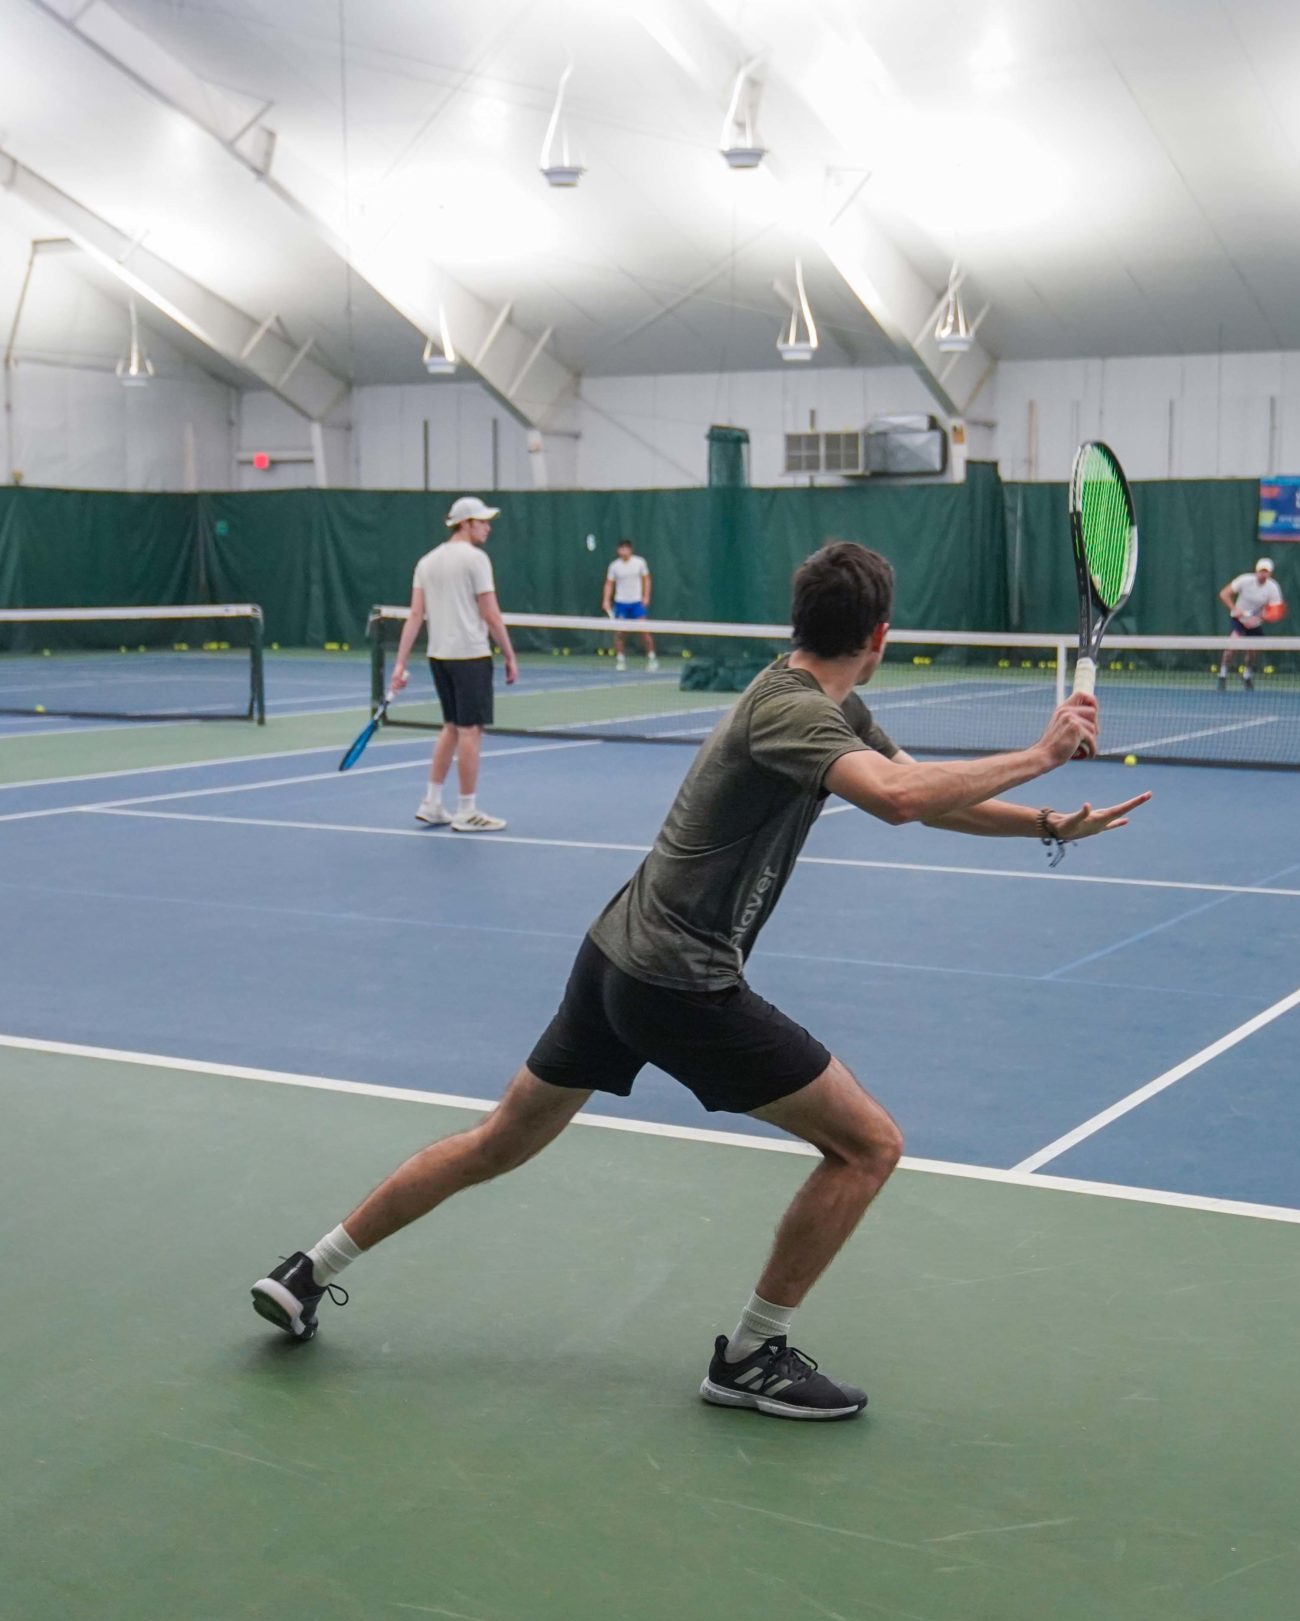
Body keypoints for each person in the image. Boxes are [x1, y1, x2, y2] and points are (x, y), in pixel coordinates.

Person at [254, 541, 1149, 1420]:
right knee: (867, 1147)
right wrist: (1040, 753)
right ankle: (755, 1354)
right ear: (878, 636)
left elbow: (914, 783)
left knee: (499, 1140)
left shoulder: (819, 702)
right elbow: (898, 799)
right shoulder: (794, 713)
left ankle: (309, 1270)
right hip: (676, 981)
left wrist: (1045, 824)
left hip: (613, 955)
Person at [388, 496, 520, 831]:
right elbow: (490, 613)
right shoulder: (476, 560)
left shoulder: (426, 561)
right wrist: (509, 653)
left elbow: (415, 615)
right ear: (465, 524)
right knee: (470, 732)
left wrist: (399, 665)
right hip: (470, 655)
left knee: (450, 726)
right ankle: (466, 810)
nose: (488, 527)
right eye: (482, 521)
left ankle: (431, 802)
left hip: (439, 657)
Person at [1215, 557, 1281, 689]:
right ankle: (1222, 675)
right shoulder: (1244, 580)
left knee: (1253, 652)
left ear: (1270, 573)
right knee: (1231, 646)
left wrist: (1262, 618)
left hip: (1256, 622)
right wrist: (1235, 609)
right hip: (1238, 619)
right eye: (1261, 571)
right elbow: (1224, 594)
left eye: (1266, 571)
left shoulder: (1273, 587)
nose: (1263, 574)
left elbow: (1276, 610)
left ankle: (1247, 676)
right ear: (1256, 571)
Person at [602, 539, 657, 671]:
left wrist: (646, 596)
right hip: (620, 603)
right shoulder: (614, 566)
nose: (624, 551)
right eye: (621, 549)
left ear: (630, 550)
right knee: (620, 633)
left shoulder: (639, 562)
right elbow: (609, 584)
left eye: (626, 549)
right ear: (618, 550)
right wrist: (606, 600)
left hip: (637, 603)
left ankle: (652, 658)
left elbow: (647, 580)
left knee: (645, 632)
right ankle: (620, 660)